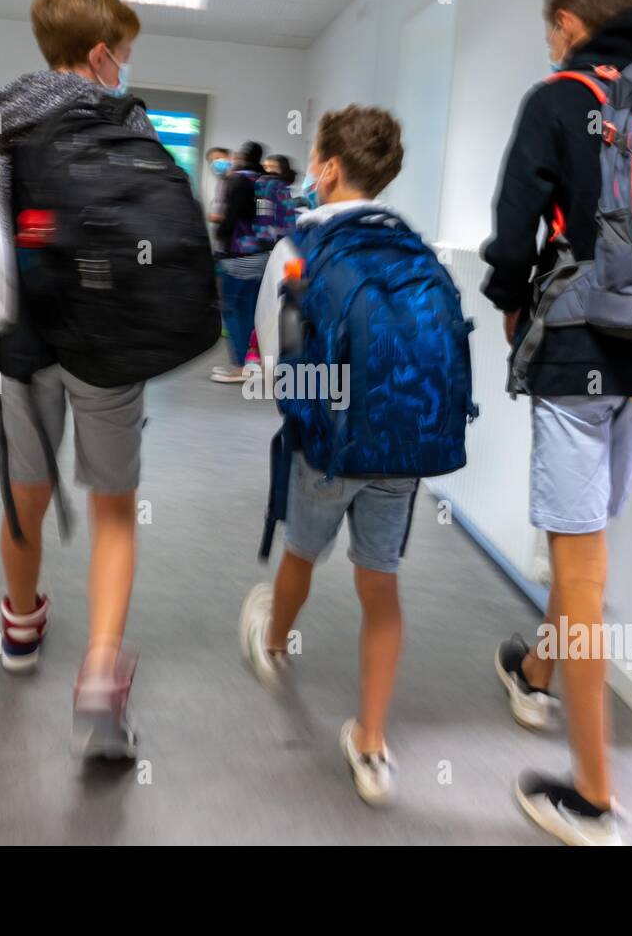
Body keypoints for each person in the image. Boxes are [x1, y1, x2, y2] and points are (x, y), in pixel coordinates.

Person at [482, 0, 632, 845]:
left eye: (549, 30)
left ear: (569, 22)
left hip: (579, 355)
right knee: (589, 542)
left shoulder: (559, 96)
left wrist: (509, 301)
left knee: (580, 568)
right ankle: (536, 671)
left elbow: (512, 228)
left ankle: (596, 798)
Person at [0, 0, 150, 760]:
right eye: (124, 55)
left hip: (26, 347)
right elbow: (151, 247)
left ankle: (23, 627)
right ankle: (101, 672)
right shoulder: (128, 125)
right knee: (114, 510)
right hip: (108, 347)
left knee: (23, 498)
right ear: (100, 54)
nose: (126, 70)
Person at [242, 106, 417, 807]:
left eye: (314, 157)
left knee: (301, 553)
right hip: (402, 445)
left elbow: (270, 352)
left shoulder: (299, 245)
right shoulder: (411, 245)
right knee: (382, 584)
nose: (308, 168)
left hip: (327, 445)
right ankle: (372, 745)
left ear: (331, 168)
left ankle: (275, 640)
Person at [211, 141, 274, 384]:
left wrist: (220, 239)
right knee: (249, 311)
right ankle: (251, 363)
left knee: (230, 310)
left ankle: (238, 366)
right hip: (261, 256)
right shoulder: (266, 182)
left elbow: (230, 218)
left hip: (237, 255)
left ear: (244, 156)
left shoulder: (238, 181)